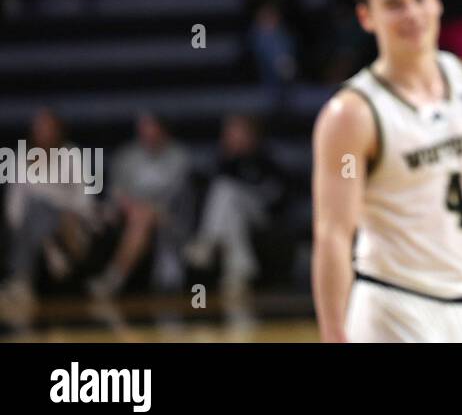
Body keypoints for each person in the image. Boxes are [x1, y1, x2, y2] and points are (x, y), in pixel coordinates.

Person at [311, 0, 462, 342]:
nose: (411, 13)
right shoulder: (351, 113)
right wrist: (334, 334)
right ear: (366, 17)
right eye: (393, 3)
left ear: (438, 1)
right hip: (392, 310)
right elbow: (334, 234)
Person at [0, 108, 97, 323]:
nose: (42, 132)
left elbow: (85, 205)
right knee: (32, 209)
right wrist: (24, 228)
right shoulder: (21, 159)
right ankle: (47, 248)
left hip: (69, 228)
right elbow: (13, 209)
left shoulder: (74, 155)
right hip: (31, 231)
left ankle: (22, 279)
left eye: (47, 127)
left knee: (39, 203)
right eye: (38, 127)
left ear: (58, 130)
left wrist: (49, 199)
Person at [87, 112, 193, 298]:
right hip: (128, 214)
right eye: (144, 130)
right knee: (138, 217)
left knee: (143, 216)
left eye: (152, 130)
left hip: (168, 216)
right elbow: (116, 192)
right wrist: (129, 205)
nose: (147, 135)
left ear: (163, 131)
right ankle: (114, 278)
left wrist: (146, 208)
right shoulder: (127, 156)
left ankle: (113, 279)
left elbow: (176, 196)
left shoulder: (179, 157)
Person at [184, 114, 287, 303]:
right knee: (229, 206)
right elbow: (206, 194)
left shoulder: (265, 159)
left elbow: (277, 197)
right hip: (235, 217)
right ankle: (240, 268)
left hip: (261, 215)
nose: (232, 137)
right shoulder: (222, 161)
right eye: (230, 133)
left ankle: (207, 241)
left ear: (251, 135)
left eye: (237, 133)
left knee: (226, 192)